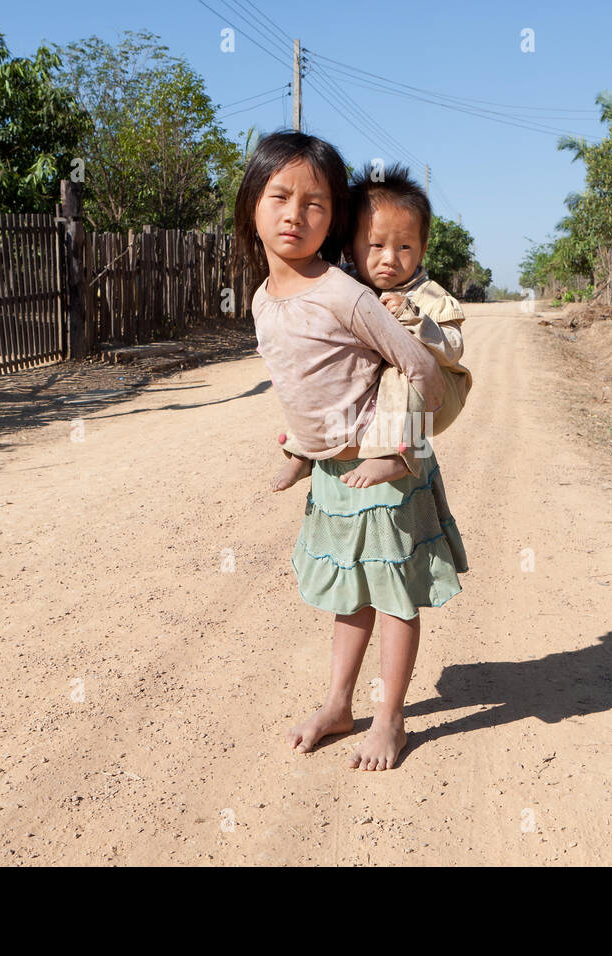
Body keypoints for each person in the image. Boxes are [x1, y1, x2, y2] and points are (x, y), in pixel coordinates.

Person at [237, 130, 469, 770]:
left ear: (332, 219)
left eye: (314, 203)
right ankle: (339, 705)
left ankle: (389, 718)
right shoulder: (263, 298)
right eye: (279, 196)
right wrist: (303, 447)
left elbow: (420, 369)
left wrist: (405, 448)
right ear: (252, 205)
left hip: (388, 469)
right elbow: (302, 384)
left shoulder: (347, 294)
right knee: (350, 593)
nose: (294, 214)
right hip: (336, 475)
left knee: (393, 594)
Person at [271, 164, 473, 493]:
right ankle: (303, 448)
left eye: (404, 247)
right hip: (376, 400)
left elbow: (453, 347)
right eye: (376, 245)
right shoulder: (345, 286)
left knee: (398, 370)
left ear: (422, 250)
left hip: (433, 396)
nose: (390, 258)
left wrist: (414, 317)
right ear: (351, 249)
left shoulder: (430, 296)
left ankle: (394, 454)